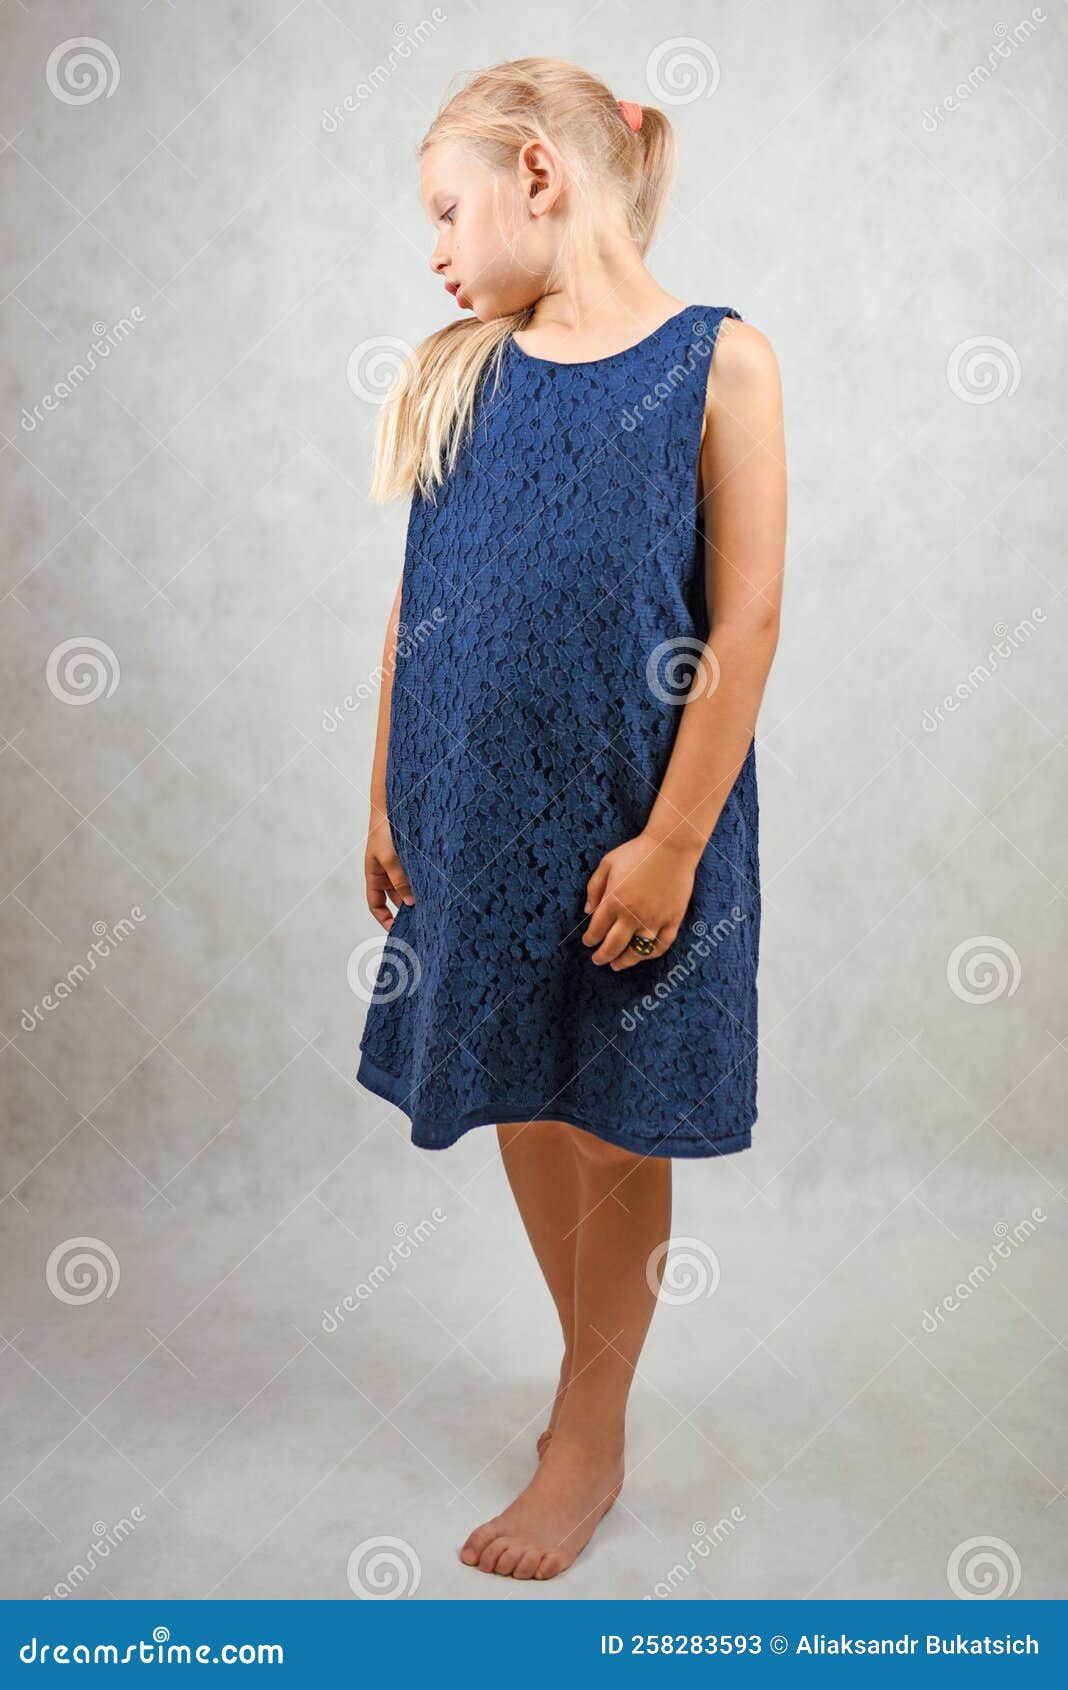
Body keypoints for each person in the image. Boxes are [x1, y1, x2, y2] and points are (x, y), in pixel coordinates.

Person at [357, 56, 786, 1582]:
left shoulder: (717, 361)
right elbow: (423, 599)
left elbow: (740, 622)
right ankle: (588, 1372)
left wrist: (674, 837)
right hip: (477, 811)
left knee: (616, 1103)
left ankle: (587, 1423)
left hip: (635, 812)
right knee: (523, 1086)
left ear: (539, 175)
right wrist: (385, 787)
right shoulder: (460, 366)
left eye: (447, 208)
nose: (436, 249)